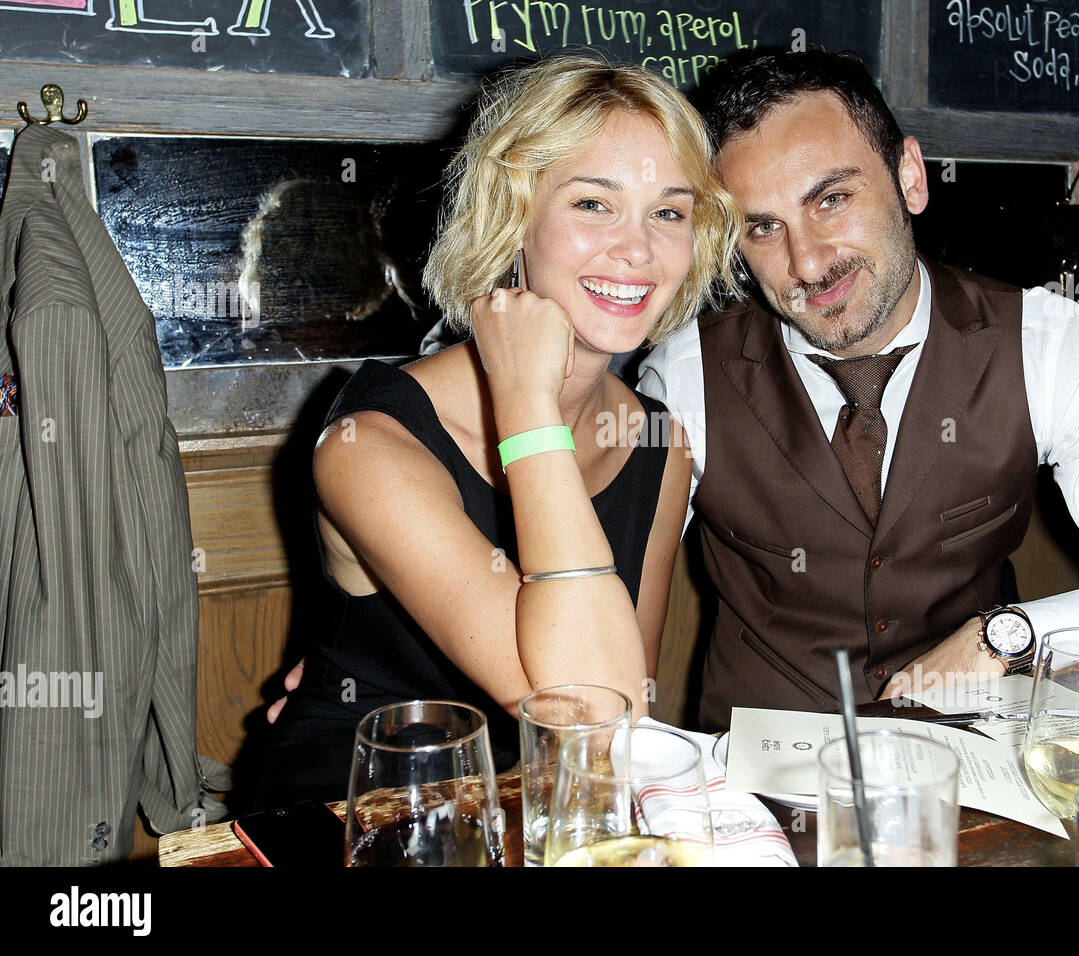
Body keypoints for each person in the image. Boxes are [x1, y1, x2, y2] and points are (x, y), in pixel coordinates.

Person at [639, 49, 1079, 731]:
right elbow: (607, 623)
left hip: (972, 772)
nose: (808, 262)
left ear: (911, 177)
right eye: (763, 227)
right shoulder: (685, 376)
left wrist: (1008, 635)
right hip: (758, 785)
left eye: (831, 199)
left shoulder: (1044, 345)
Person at [258, 55, 741, 804]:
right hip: (352, 817)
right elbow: (585, 714)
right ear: (513, 218)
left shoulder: (658, 443)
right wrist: (526, 404)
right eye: (592, 204)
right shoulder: (373, 444)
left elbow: (616, 714)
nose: (638, 249)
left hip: (531, 808)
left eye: (669, 212)